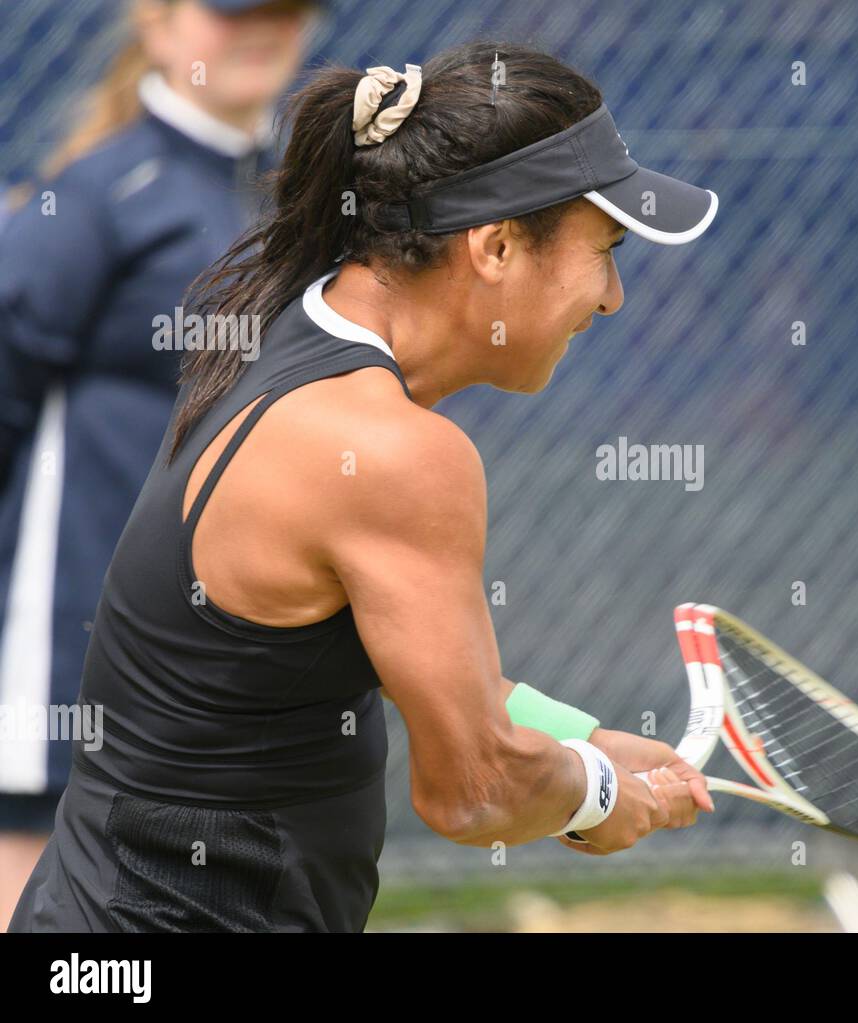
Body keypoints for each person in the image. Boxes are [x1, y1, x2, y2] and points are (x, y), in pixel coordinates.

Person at [8, 38, 720, 933]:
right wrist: (602, 792)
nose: (613, 296)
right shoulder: (390, 452)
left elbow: (412, 669)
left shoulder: (295, 319)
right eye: (605, 249)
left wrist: (578, 739)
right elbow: (474, 788)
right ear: (496, 246)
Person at [0, 0, 319, 930]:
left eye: (284, 11)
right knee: (36, 871)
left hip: (202, 637)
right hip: (66, 625)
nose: (260, 30)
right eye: (232, 12)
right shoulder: (101, 192)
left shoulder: (290, 196)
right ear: (159, 20)